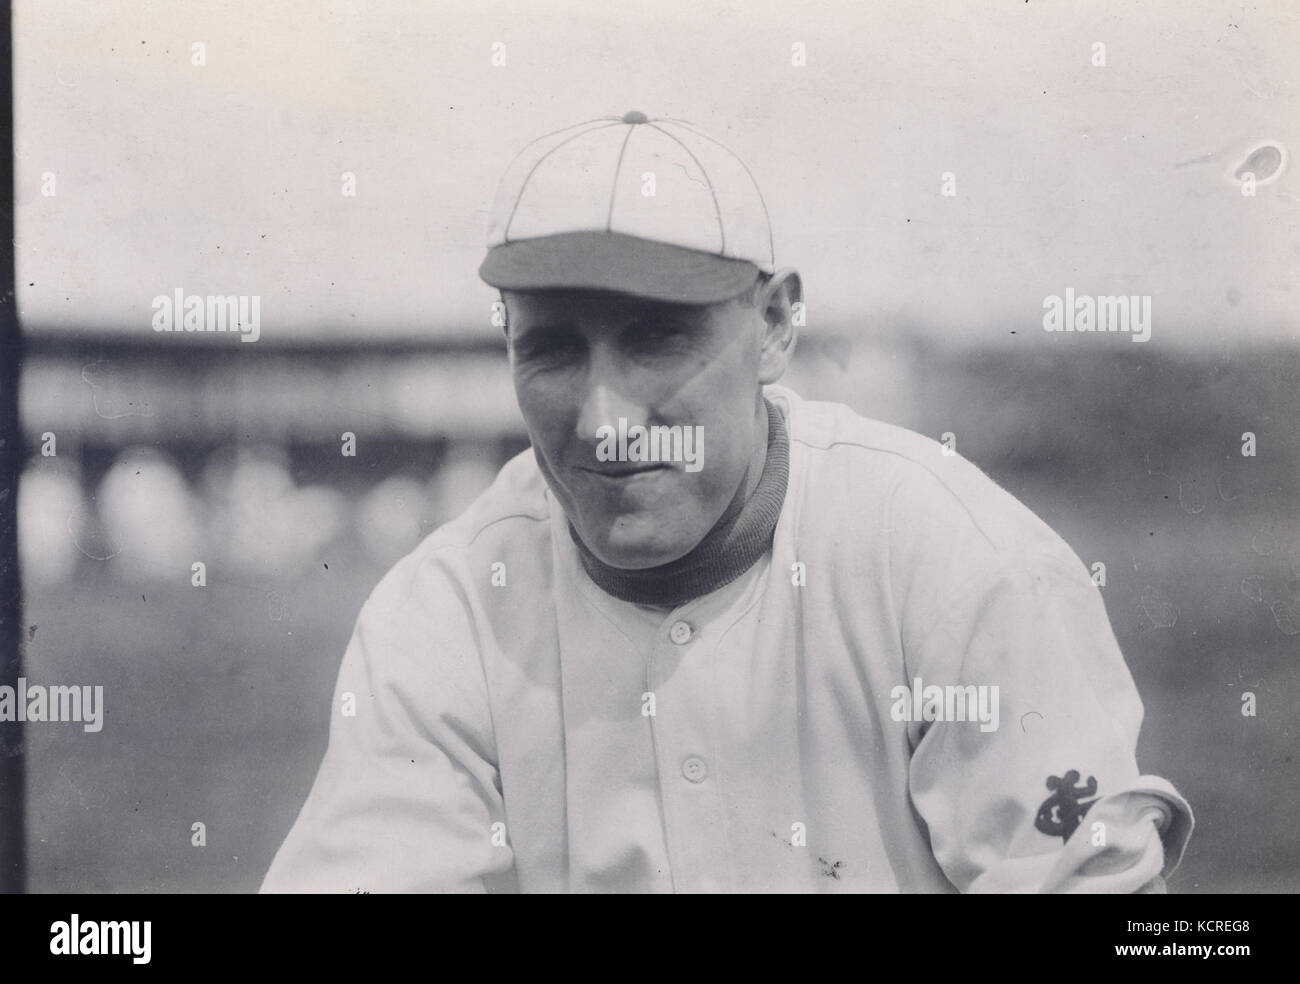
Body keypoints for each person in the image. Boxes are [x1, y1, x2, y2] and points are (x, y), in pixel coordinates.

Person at [262, 112, 1192, 893]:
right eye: (551, 349)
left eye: (657, 339)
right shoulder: (448, 612)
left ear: (776, 325)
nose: (605, 419)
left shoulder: (952, 562)